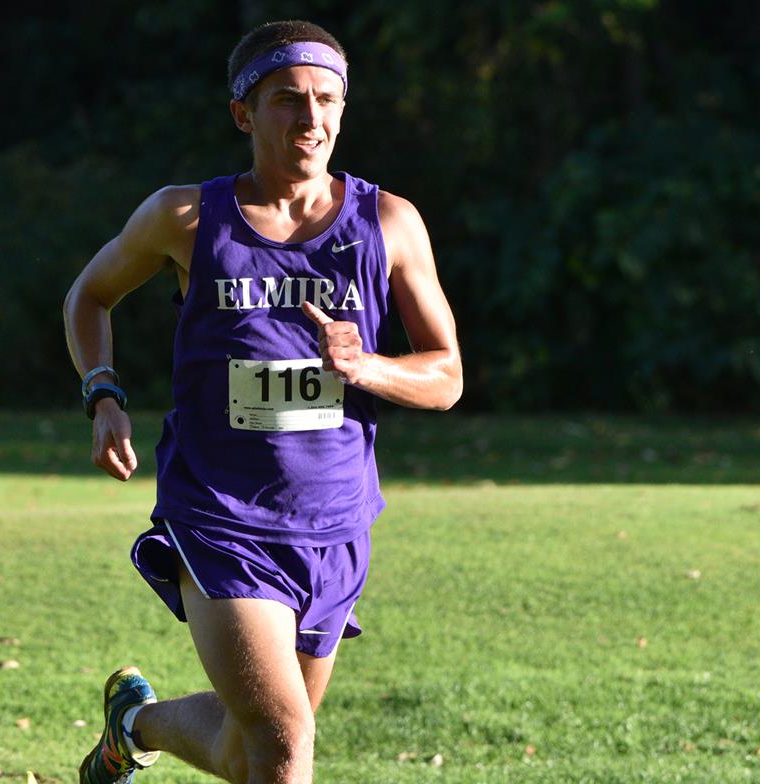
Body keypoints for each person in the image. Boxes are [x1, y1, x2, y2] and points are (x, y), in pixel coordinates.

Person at [62, 19, 462, 784]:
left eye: (326, 100)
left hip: (335, 523)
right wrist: (103, 392)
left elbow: (447, 376)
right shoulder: (186, 218)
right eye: (287, 100)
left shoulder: (388, 223)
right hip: (221, 515)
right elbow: (90, 296)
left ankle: (132, 724)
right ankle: (138, 723)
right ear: (243, 113)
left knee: (254, 752)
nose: (311, 120)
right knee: (285, 747)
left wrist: (365, 365)